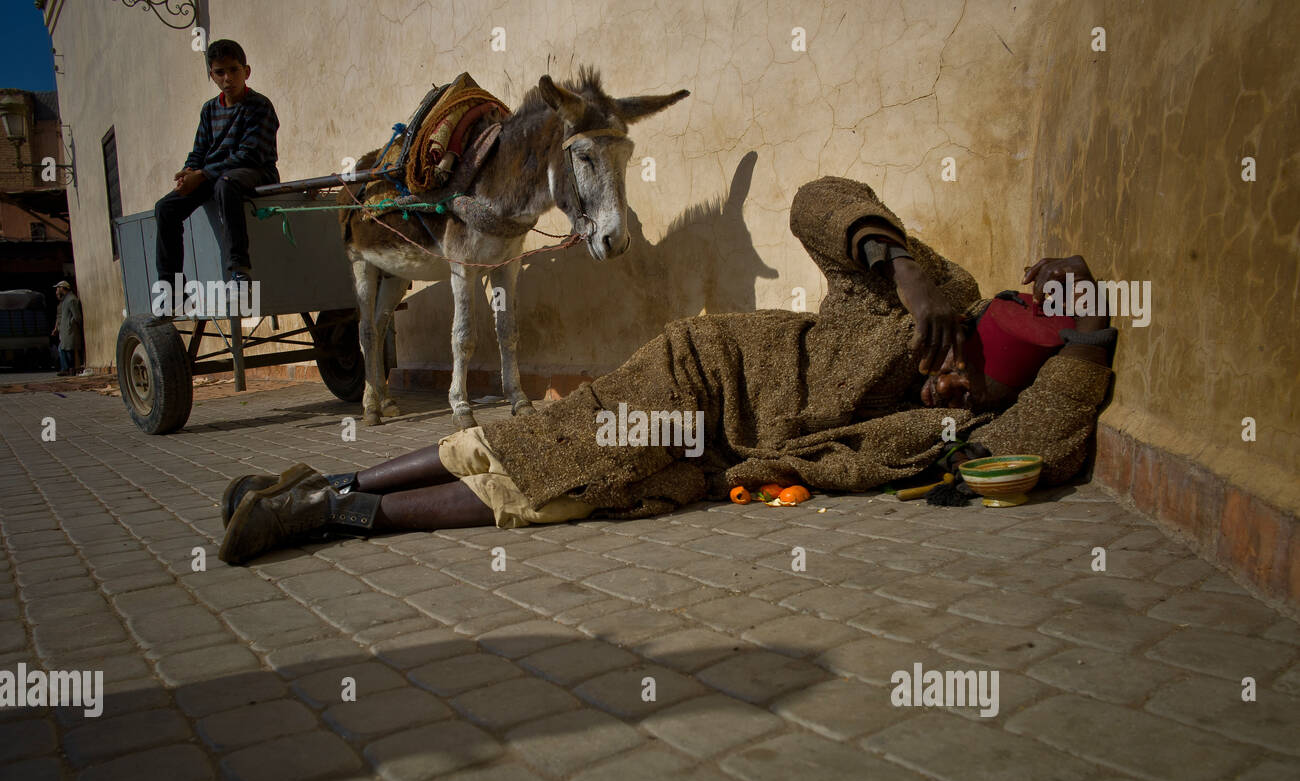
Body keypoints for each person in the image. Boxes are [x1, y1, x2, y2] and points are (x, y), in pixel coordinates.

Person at [217, 177, 1117, 565]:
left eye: (970, 394)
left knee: (578, 491)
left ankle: (323, 496)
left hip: (722, 458)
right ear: (962, 320)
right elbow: (816, 202)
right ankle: (326, 503)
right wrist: (902, 267)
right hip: (708, 374)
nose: (947, 385)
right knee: (564, 448)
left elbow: (1057, 429)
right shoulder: (925, 287)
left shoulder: (965, 436)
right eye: (954, 361)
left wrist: (1088, 335)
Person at [154, 39, 279, 293]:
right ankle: (173, 289)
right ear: (211, 75)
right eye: (220, 72)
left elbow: (250, 154)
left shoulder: (259, 105)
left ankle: (240, 271)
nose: (227, 78)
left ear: (247, 71)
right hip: (212, 176)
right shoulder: (209, 110)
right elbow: (199, 150)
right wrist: (189, 172)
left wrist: (202, 174)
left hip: (256, 172)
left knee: (226, 183)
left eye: (233, 70)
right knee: (165, 207)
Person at [52, 280, 82, 376]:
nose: (57, 290)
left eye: (58, 288)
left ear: (62, 288)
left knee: (68, 349)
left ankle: (69, 369)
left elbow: (77, 316)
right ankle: (67, 369)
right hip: (65, 329)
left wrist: (72, 324)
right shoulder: (65, 300)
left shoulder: (71, 299)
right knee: (64, 348)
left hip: (70, 329)